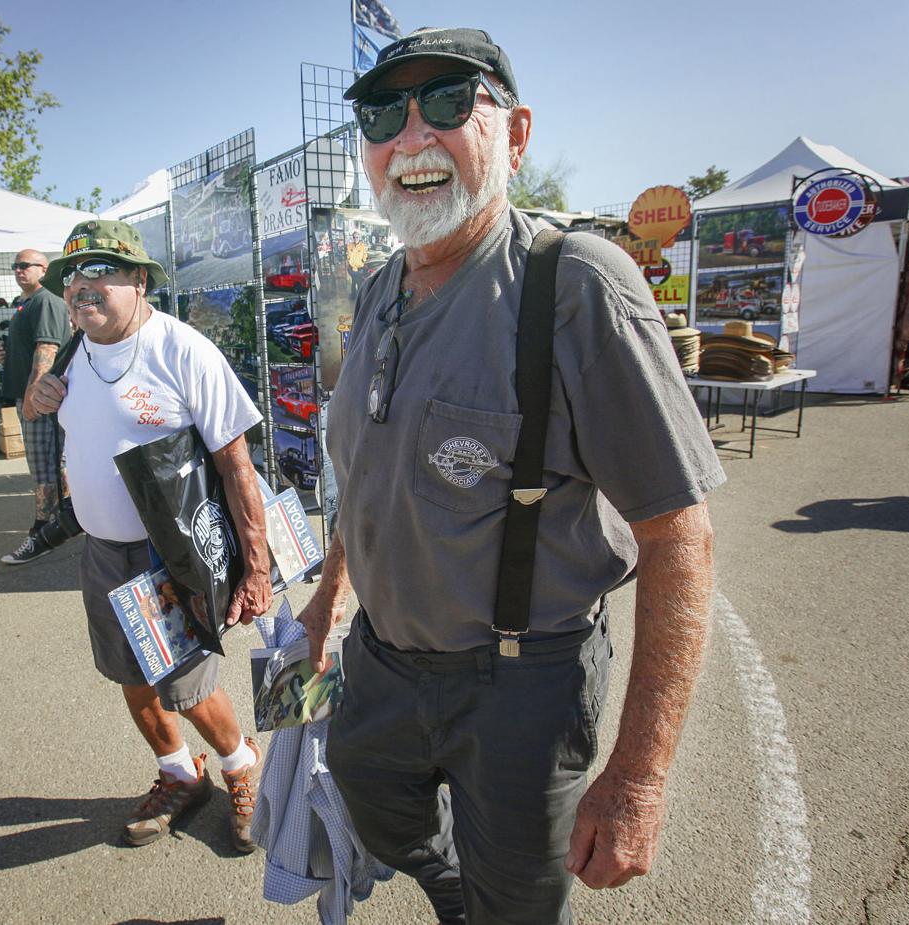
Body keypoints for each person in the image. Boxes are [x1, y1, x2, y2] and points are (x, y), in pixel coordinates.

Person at [297, 27, 726, 925]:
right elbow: (364, 461)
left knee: (519, 908)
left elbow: (677, 533)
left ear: (516, 133)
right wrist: (333, 589)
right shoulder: (377, 291)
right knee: (375, 800)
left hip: (521, 683)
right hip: (383, 659)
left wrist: (640, 776)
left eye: (450, 101)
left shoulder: (575, 287)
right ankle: (461, 889)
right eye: (382, 113)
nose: (412, 136)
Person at [27, 220, 272, 852]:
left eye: (102, 272)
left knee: (187, 687)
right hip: (103, 552)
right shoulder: (74, 350)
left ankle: (242, 766)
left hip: (174, 558)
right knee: (129, 678)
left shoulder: (182, 350)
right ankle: (177, 772)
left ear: (139, 280)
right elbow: (44, 412)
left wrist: (256, 567)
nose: (84, 287)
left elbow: (235, 463)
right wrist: (36, 395)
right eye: (74, 275)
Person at [0, 248, 72, 565]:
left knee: (44, 470)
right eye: (15, 265)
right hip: (30, 397)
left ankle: (41, 533)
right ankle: (68, 520)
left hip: (40, 401)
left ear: (43, 269)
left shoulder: (46, 300)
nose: (18, 270)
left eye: (25, 265)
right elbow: (33, 345)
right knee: (53, 467)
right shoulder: (27, 303)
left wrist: (33, 396)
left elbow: (48, 348)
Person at [346, 230, 369, 297]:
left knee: (359, 282)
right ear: (352, 238)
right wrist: (349, 260)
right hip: (352, 268)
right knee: (353, 282)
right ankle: (353, 295)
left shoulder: (362, 246)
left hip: (360, 268)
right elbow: (348, 254)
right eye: (354, 237)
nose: (355, 239)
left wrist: (363, 261)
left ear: (359, 238)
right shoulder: (349, 246)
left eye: (357, 237)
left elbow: (365, 255)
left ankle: (359, 296)